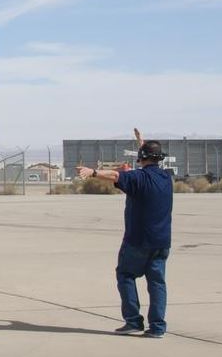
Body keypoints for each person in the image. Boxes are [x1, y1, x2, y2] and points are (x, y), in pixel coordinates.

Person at [76, 128, 173, 338]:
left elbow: (114, 175)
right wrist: (142, 142)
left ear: (141, 158)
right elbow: (150, 160)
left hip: (138, 241)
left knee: (125, 275)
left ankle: (133, 321)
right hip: (162, 242)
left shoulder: (136, 178)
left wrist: (92, 172)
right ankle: (157, 327)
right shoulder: (166, 177)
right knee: (157, 282)